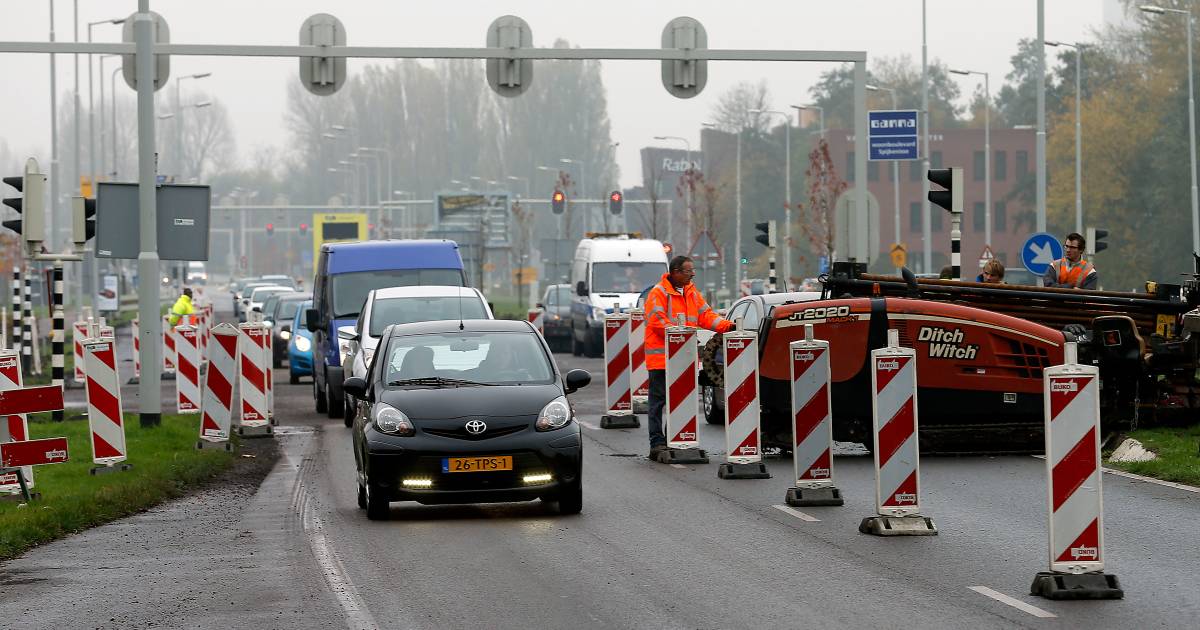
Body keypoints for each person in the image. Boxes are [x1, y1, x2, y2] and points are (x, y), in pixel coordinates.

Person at [642, 255, 735, 459]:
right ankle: (657, 443)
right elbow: (656, 321)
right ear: (675, 272)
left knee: (680, 401)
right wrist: (680, 334)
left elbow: (706, 316)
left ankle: (673, 439)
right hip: (661, 360)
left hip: (684, 359)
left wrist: (727, 326)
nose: (692, 274)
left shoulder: (691, 293)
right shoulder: (658, 293)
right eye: (688, 271)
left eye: (693, 270)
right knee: (658, 402)